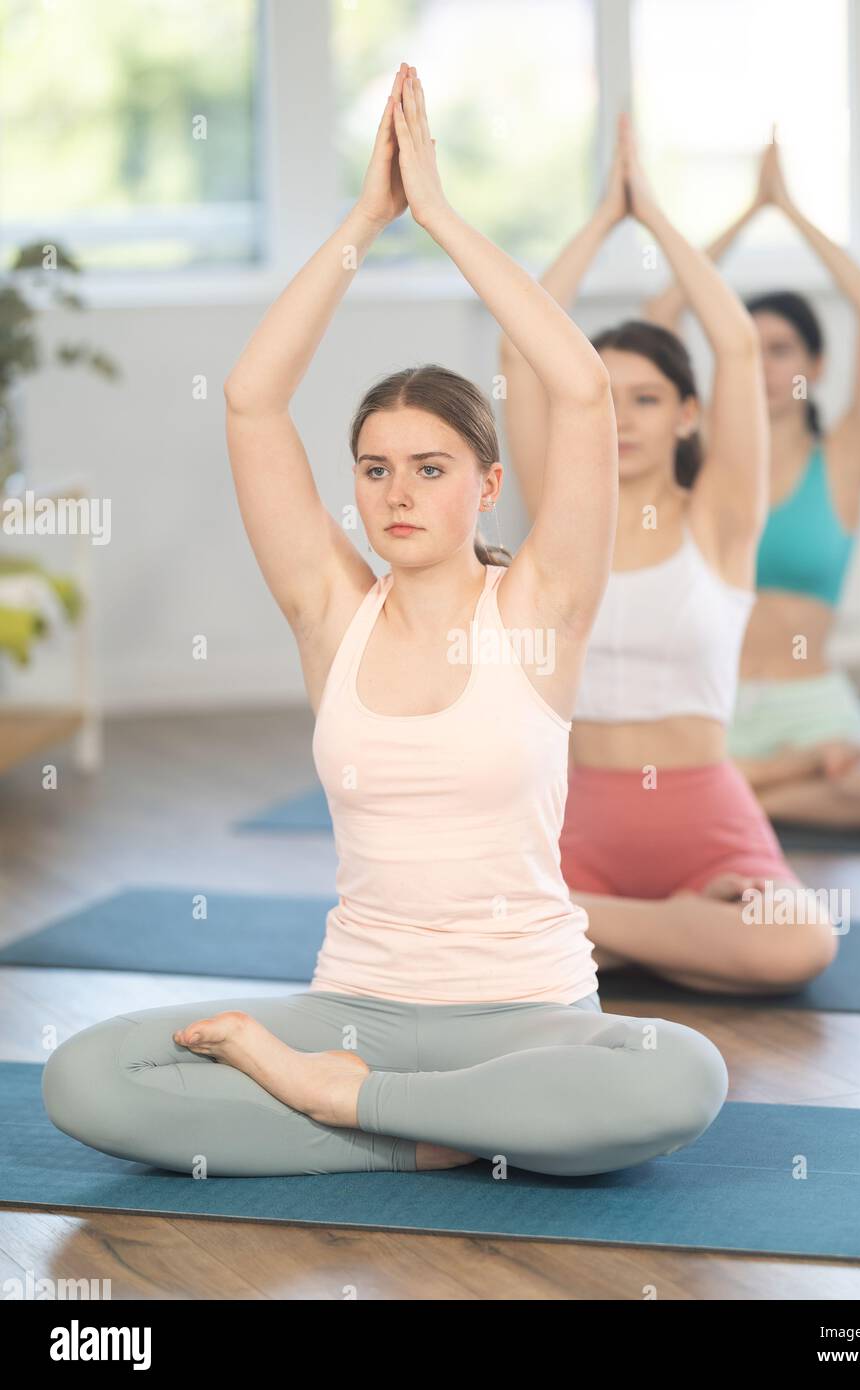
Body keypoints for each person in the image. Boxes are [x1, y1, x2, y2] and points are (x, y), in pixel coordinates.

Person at [41, 64, 727, 1180]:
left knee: (680, 1072)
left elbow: (583, 394)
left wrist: (444, 219)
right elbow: (254, 398)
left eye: (429, 467)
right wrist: (366, 222)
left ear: (488, 484)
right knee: (82, 1076)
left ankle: (348, 1111)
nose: (396, 493)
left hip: (529, 1015)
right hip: (352, 1004)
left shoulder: (543, 607)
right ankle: (436, 1130)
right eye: (373, 469)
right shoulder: (332, 613)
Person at [499, 113, 836, 996]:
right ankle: (673, 936)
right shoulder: (566, 517)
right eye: (604, 399)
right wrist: (601, 218)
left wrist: (655, 217)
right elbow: (516, 345)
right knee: (487, 970)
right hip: (581, 811)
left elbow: (730, 343)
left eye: (646, 399)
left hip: (706, 814)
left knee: (801, 944)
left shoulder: (722, 519)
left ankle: (588, 930)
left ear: (688, 414)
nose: (623, 418)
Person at [643, 132, 860, 831]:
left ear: (815, 363)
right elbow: (660, 317)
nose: (761, 369)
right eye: (747, 352)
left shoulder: (845, 458)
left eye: (779, 351)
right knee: (630, 775)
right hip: (713, 701)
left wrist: (787, 209)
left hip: (814, 708)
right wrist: (745, 216)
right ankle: (765, 793)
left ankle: (739, 797)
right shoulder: (703, 456)